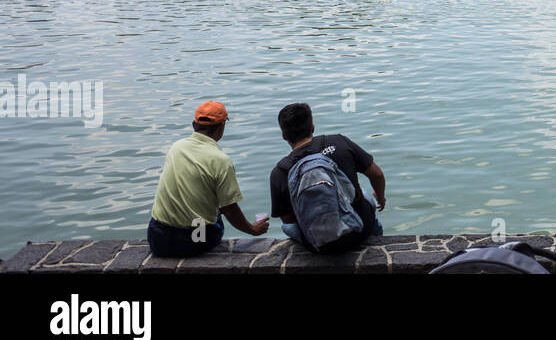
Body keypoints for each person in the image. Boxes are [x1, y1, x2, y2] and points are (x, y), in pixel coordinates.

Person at [148, 101, 269, 257]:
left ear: (194, 124)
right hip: (193, 241)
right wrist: (252, 230)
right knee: (218, 218)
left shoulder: (176, 147)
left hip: (157, 237)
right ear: (221, 127)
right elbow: (230, 210)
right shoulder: (220, 161)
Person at [269, 103, 386, 252]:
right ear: (312, 127)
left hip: (318, 243)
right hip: (360, 230)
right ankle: (378, 242)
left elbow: (289, 220)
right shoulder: (339, 142)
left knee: (287, 226)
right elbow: (377, 174)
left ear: (284, 135)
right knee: (365, 196)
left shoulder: (280, 171)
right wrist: (380, 198)